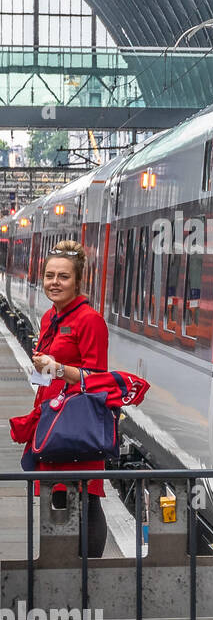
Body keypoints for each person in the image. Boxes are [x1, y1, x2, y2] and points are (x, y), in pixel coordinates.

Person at [21, 239, 110, 557]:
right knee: (56, 496)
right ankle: (60, 568)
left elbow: (99, 380)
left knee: (85, 496)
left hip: (77, 423)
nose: (54, 283)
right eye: (49, 275)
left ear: (78, 281)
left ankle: (88, 572)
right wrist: (43, 371)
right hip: (51, 419)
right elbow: (46, 372)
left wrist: (59, 370)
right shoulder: (49, 319)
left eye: (63, 276)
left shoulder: (90, 321)